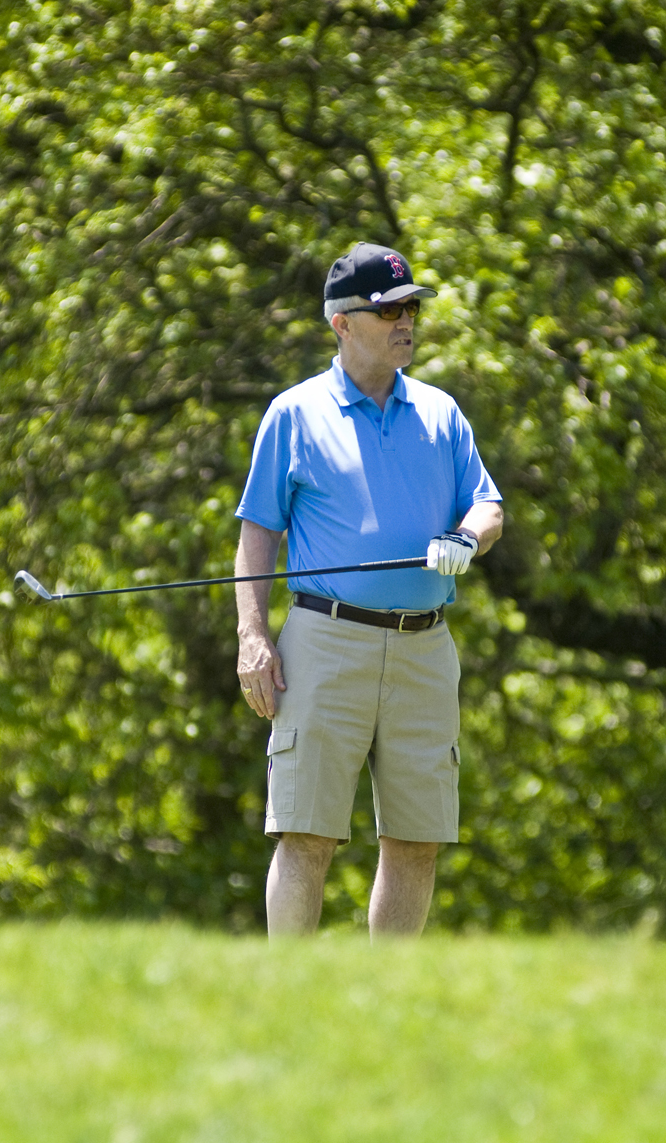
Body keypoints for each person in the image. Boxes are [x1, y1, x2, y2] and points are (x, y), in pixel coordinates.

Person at [233, 242, 503, 939]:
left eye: (410, 306)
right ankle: (289, 1003)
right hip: (326, 641)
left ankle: (386, 1010)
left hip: (424, 643)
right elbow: (258, 534)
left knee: (417, 840)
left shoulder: (442, 413)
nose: (405, 319)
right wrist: (253, 638)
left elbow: (487, 505)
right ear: (342, 323)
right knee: (306, 833)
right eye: (388, 310)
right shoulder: (293, 413)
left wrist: (467, 538)